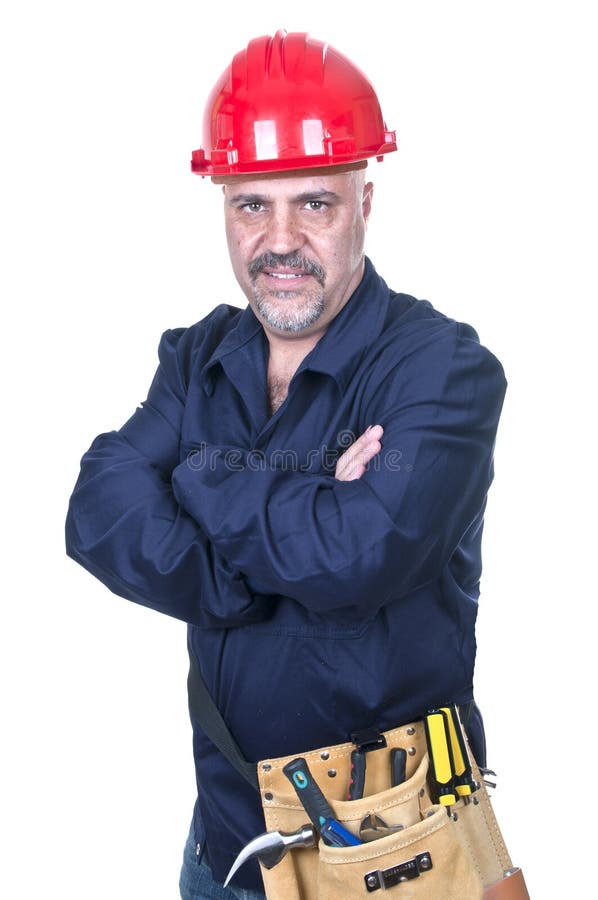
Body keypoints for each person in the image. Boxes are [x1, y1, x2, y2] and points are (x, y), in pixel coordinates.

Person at [65, 29, 507, 900]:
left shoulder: (441, 370)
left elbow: (360, 555)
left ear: (364, 202)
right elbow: (97, 510)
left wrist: (197, 473)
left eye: (314, 203)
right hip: (229, 849)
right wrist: (275, 549)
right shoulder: (197, 358)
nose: (280, 240)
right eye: (250, 206)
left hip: (396, 859)